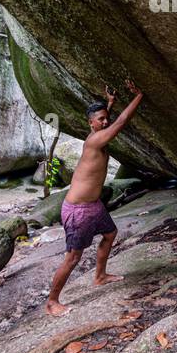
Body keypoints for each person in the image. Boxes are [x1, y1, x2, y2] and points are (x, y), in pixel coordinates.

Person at [45, 80, 144, 316]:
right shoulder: (94, 140)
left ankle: (99, 276)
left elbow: (109, 121)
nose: (105, 121)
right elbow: (120, 123)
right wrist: (140, 96)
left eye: (104, 117)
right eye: (99, 119)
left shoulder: (96, 132)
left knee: (110, 234)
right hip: (78, 210)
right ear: (90, 124)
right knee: (73, 258)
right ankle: (52, 301)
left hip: (93, 206)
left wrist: (110, 103)